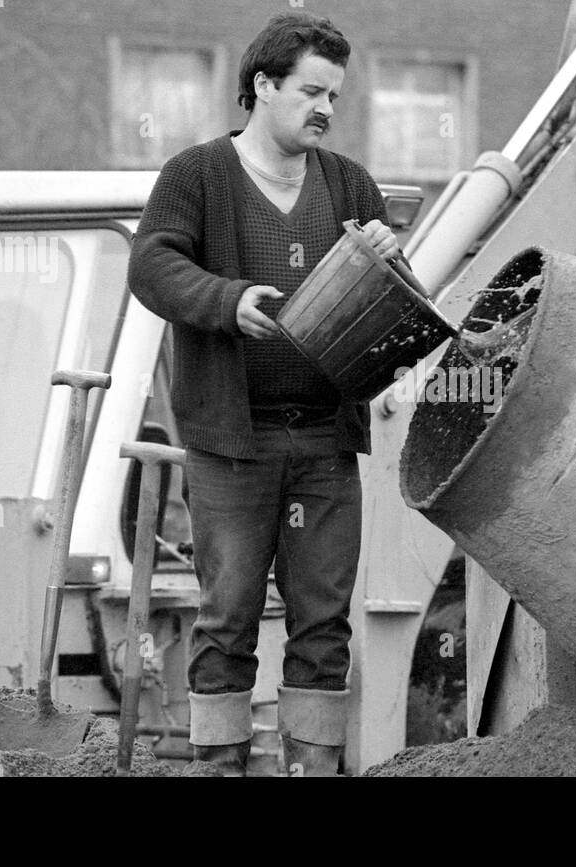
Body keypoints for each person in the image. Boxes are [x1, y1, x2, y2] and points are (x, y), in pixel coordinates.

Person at [127, 11, 399, 777]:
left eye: (334, 96)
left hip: (324, 445)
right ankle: (218, 768)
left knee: (322, 626)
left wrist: (391, 258)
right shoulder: (198, 176)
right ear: (263, 86)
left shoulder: (350, 185)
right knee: (227, 619)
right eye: (311, 90)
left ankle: (311, 769)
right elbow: (151, 266)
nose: (326, 107)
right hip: (232, 449)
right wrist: (227, 300)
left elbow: (394, 311)